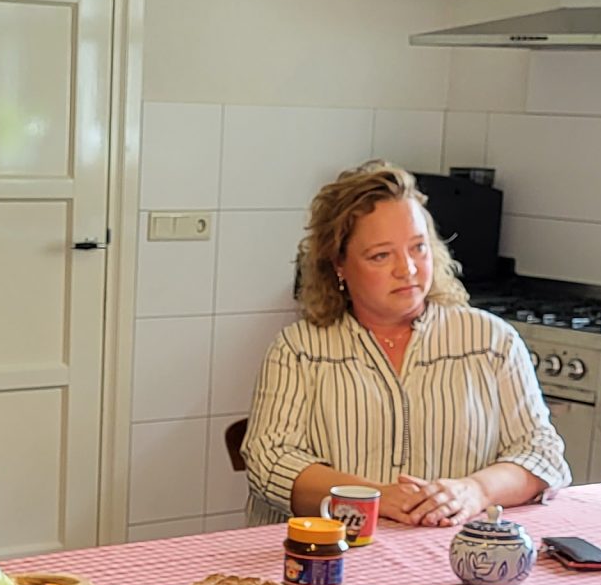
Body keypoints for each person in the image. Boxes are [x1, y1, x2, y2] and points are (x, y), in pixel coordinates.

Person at [239, 161, 569, 526]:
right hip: (327, 560)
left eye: (418, 248)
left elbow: (542, 454)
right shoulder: (298, 350)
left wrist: (475, 490)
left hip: (451, 560)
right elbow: (268, 461)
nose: (407, 269)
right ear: (338, 265)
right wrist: (371, 497)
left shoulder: (491, 343)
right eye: (381, 255)